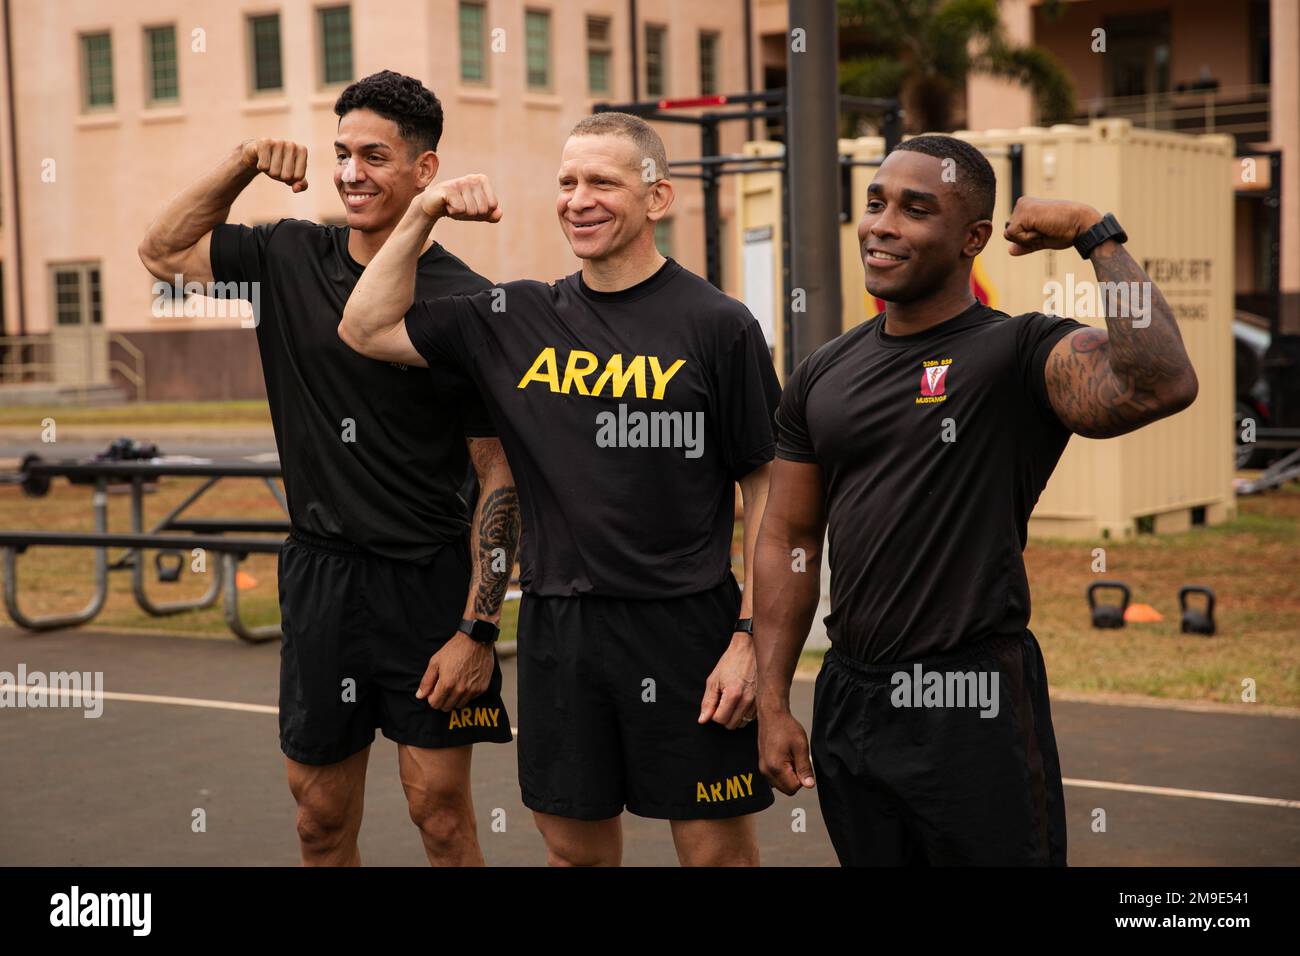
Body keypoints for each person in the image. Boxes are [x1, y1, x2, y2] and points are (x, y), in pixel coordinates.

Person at [338, 113, 782, 866]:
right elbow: (365, 327)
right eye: (567, 182)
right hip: (560, 629)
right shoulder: (516, 316)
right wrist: (423, 211)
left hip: (686, 631)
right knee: (575, 854)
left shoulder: (719, 325)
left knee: (717, 859)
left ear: (658, 198)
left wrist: (750, 641)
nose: (579, 199)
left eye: (603, 181)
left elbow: (767, 492)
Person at [752, 134, 1198, 866]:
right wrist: (773, 699)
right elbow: (787, 536)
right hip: (850, 697)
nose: (883, 224)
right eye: (875, 203)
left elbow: (1161, 380)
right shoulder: (822, 373)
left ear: (973, 238)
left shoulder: (1015, 354)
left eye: (915, 209)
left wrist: (1095, 233)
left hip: (971, 700)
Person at [137, 70, 519, 866]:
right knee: (318, 820)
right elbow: (162, 251)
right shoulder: (288, 255)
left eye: (375, 156)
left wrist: (477, 629)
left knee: (440, 816)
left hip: (428, 584)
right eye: (342, 153)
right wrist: (242, 161)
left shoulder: (469, 302)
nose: (350, 173)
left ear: (425, 171)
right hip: (322, 581)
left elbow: (499, 477)